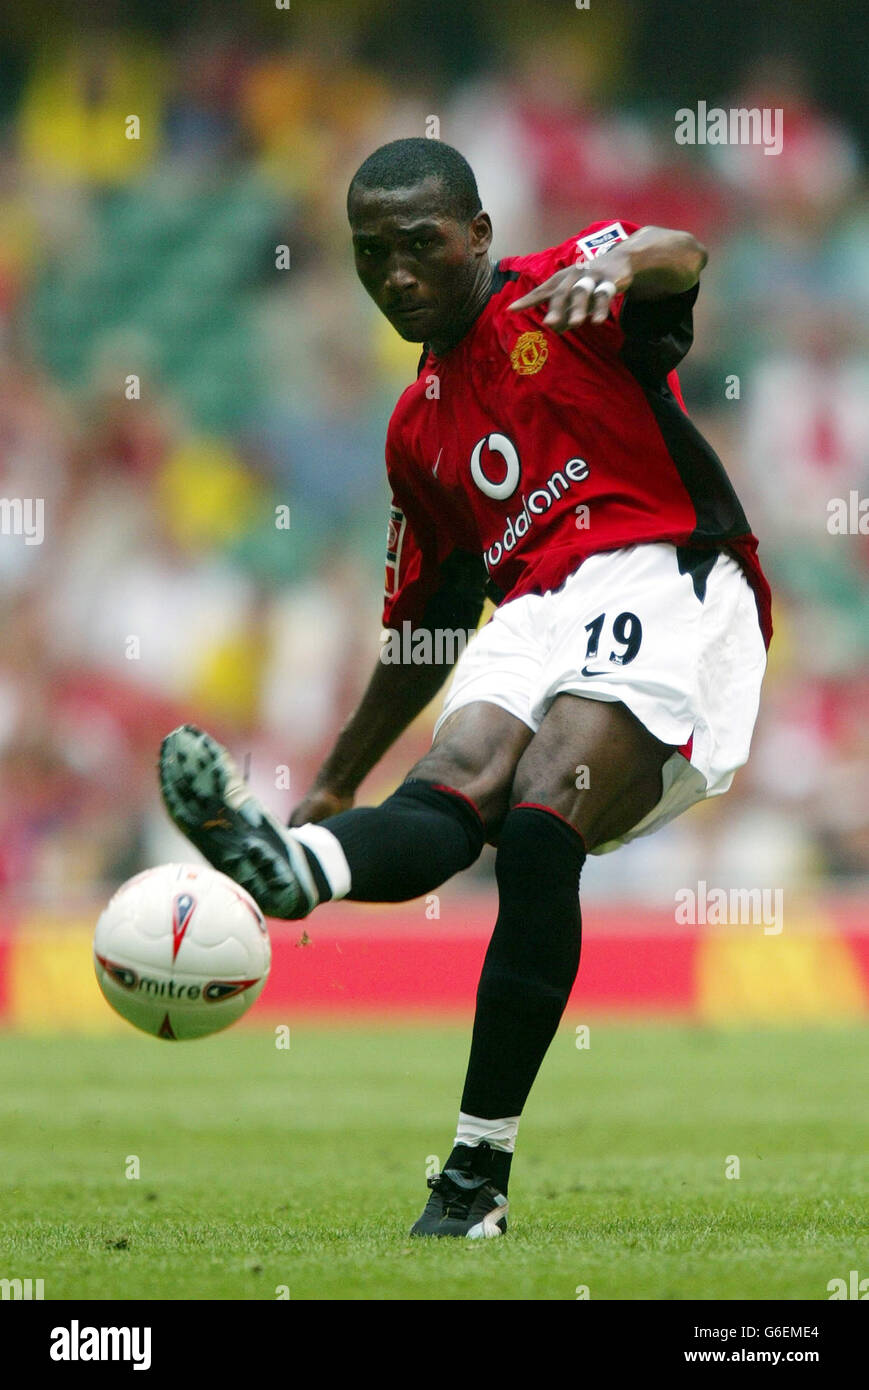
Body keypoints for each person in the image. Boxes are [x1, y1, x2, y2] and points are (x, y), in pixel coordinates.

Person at [160, 137, 771, 1239]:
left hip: (663, 564)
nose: (393, 272)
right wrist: (339, 777)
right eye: (368, 253)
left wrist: (623, 262)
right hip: (528, 609)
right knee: (453, 779)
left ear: (477, 235)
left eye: (418, 244)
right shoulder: (415, 430)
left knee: (541, 819)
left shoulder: (558, 292)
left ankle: (474, 1172)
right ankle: (300, 867)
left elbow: (683, 254)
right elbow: (428, 625)